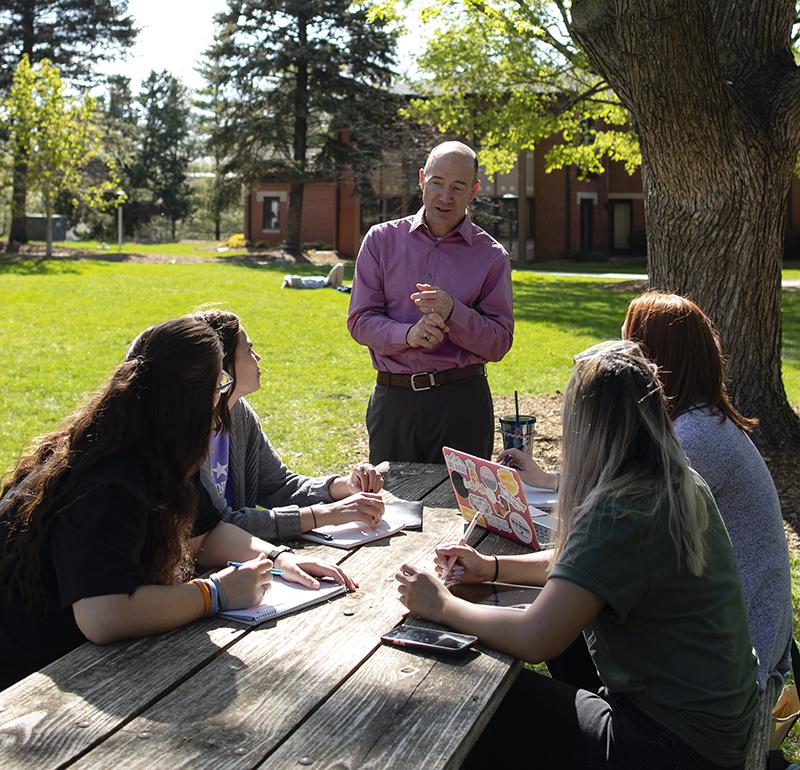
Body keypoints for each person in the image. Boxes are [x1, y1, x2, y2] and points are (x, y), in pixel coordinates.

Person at [396, 341, 758, 769]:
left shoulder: (622, 508)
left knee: (478, 700)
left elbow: (535, 637)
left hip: (672, 744)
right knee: (561, 647)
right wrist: (492, 566)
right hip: (719, 726)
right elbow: (579, 568)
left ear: (586, 427)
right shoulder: (672, 478)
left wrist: (441, 605)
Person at [0, 318, 354, 691]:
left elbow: (208, 531)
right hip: (25, 680)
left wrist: (280, 559)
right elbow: (103, 615)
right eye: (218, 385)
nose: (221, 399)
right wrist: (213, 593)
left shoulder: (153, 446)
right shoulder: (109, 480)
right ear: (188, 399)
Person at [347, 140, 514, 465]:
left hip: (462, 402)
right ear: (423, 179)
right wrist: (408, 335)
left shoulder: (491, 256)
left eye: (458, 186)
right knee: (390, 510)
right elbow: (360, 320)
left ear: (474, 190)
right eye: (437, 182)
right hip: (395, 402)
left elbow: (499, 343)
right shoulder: (381, 241)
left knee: (461, 511)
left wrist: (454, 312)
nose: (445, 196)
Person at [192, 310, 385, 541]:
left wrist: (345, 485)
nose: (258, 357)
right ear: (224, 367)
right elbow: (220, 527)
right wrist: (325, 514)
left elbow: (279, 486)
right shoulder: (189, 431)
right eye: (249, 350)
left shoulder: (239, 412)